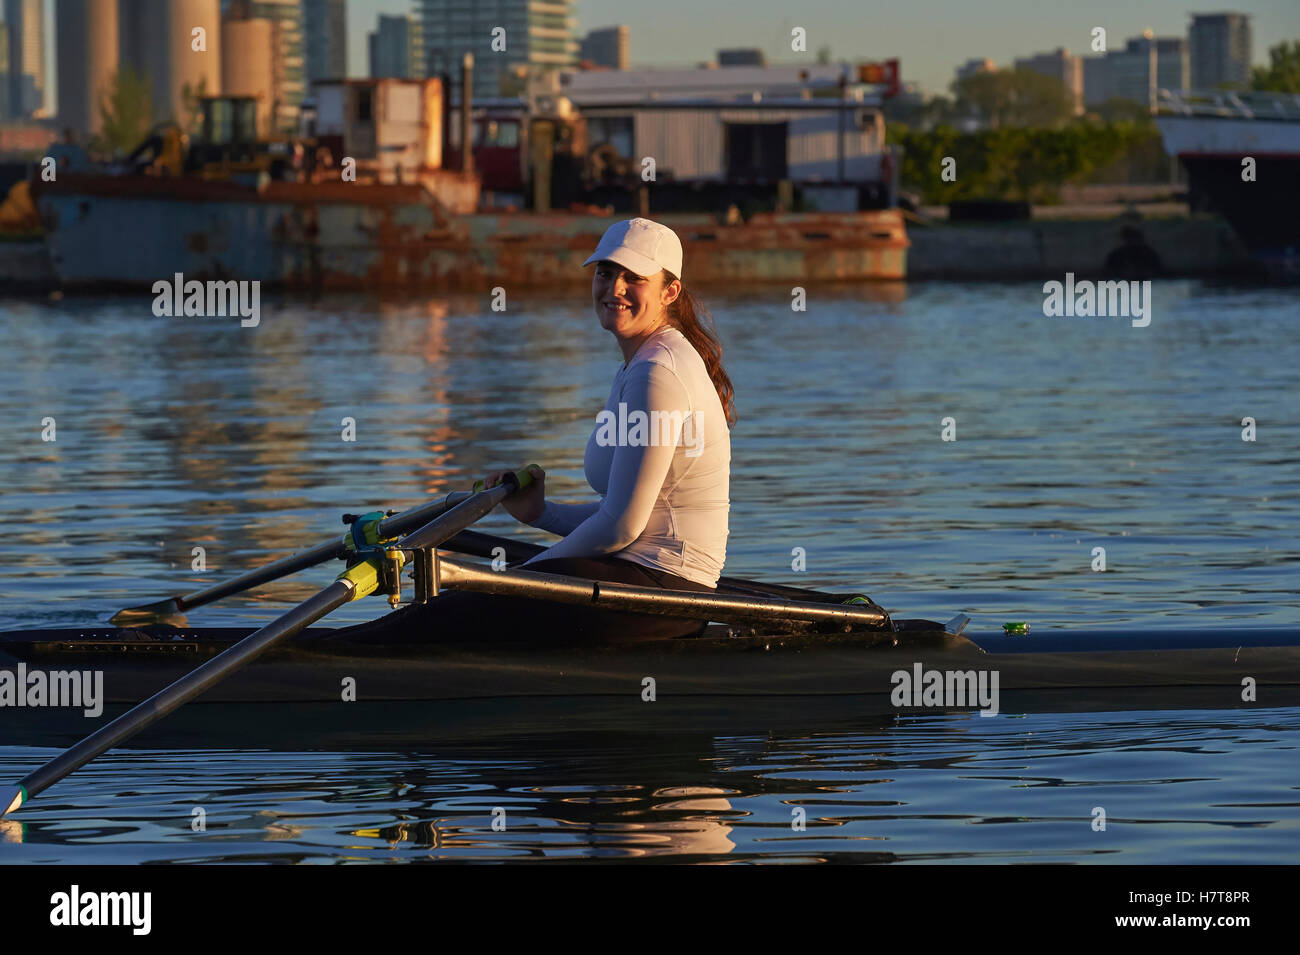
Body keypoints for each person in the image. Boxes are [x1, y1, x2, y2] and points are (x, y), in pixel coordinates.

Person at [334, 218, 735, 645]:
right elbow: (624, 514)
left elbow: (621, 526)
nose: (614, 288)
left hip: (661, 595)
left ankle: (310, 668)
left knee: (441, 614)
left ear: (669, 292)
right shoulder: (642, 363)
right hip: (638, 576)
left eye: (633, 278)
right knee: (437, 614)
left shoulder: (658, 372)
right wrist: (542, 514)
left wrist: (517, 581)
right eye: (605, 273)